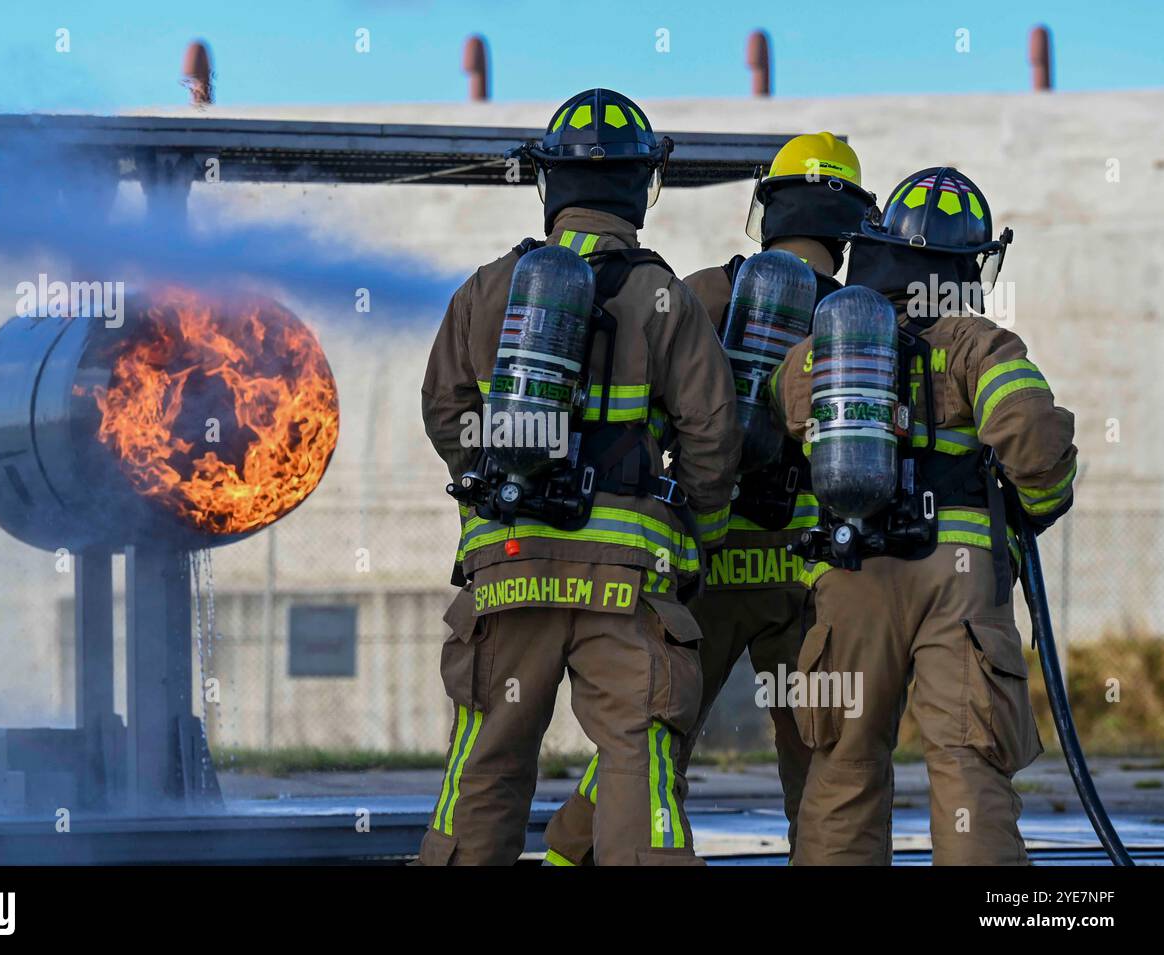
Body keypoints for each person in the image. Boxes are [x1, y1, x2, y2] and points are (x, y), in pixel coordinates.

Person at [416, 88, 739, 865]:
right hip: (627, 587)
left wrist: (493, 484)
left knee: (485, 759)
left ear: (548, 184)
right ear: (641, 187)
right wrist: (694, 528)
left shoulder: (489, 287)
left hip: (509, 569)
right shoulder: (665, 298)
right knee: (639, 763)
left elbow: (442, 408)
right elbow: (713, 435)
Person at [543, 132, 877, 863]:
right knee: (822, 755)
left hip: (713, 557)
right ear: (850, 226)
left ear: (768, 210)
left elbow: (673, 413)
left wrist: (701, 521)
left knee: (650, 740)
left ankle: (569, 854)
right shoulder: (865, 321)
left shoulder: (701, 291)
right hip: (813, 572)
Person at [771, 167, 1076, 864]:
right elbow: (1035, 439)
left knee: (843, 762)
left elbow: (783, 408)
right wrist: (1039, 506)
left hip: (852, 571)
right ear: (968, 263)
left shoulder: (831, 345)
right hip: (957, 580)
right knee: (968, 765)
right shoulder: (979, 343)